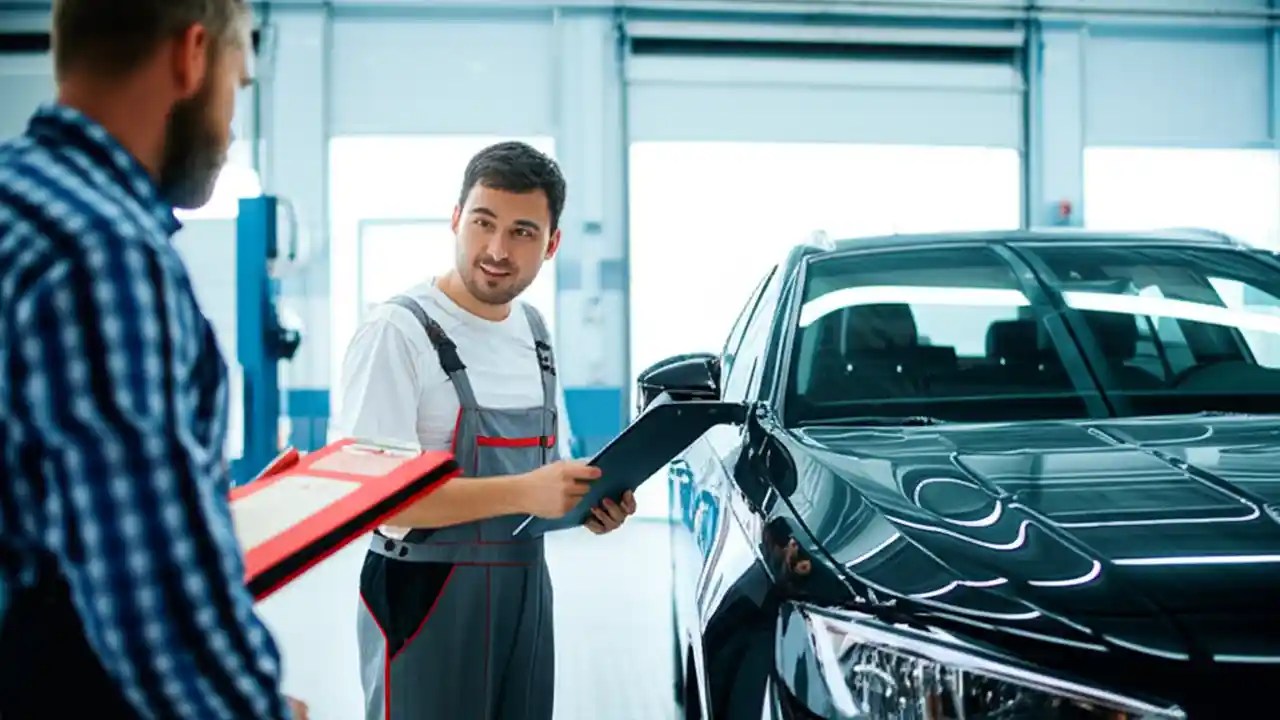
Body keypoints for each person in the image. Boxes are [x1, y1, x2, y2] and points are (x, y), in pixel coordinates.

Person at [0, 1, 305, 718]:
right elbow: (152, 596)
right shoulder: (99, 254)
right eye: (238, 83)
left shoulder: (20, 201)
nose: (231, 126)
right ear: (190, 57)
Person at [332, 141, 637, 720]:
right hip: (424, 597)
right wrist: (525, 492)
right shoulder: (398, 333)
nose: (497, 249)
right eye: (483, 223)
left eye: (523, 231)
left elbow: (550, 474)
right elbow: (378, 504)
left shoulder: (536, 333)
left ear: (552, 244)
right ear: (455, 219)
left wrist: (589, 506)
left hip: (526, 594)